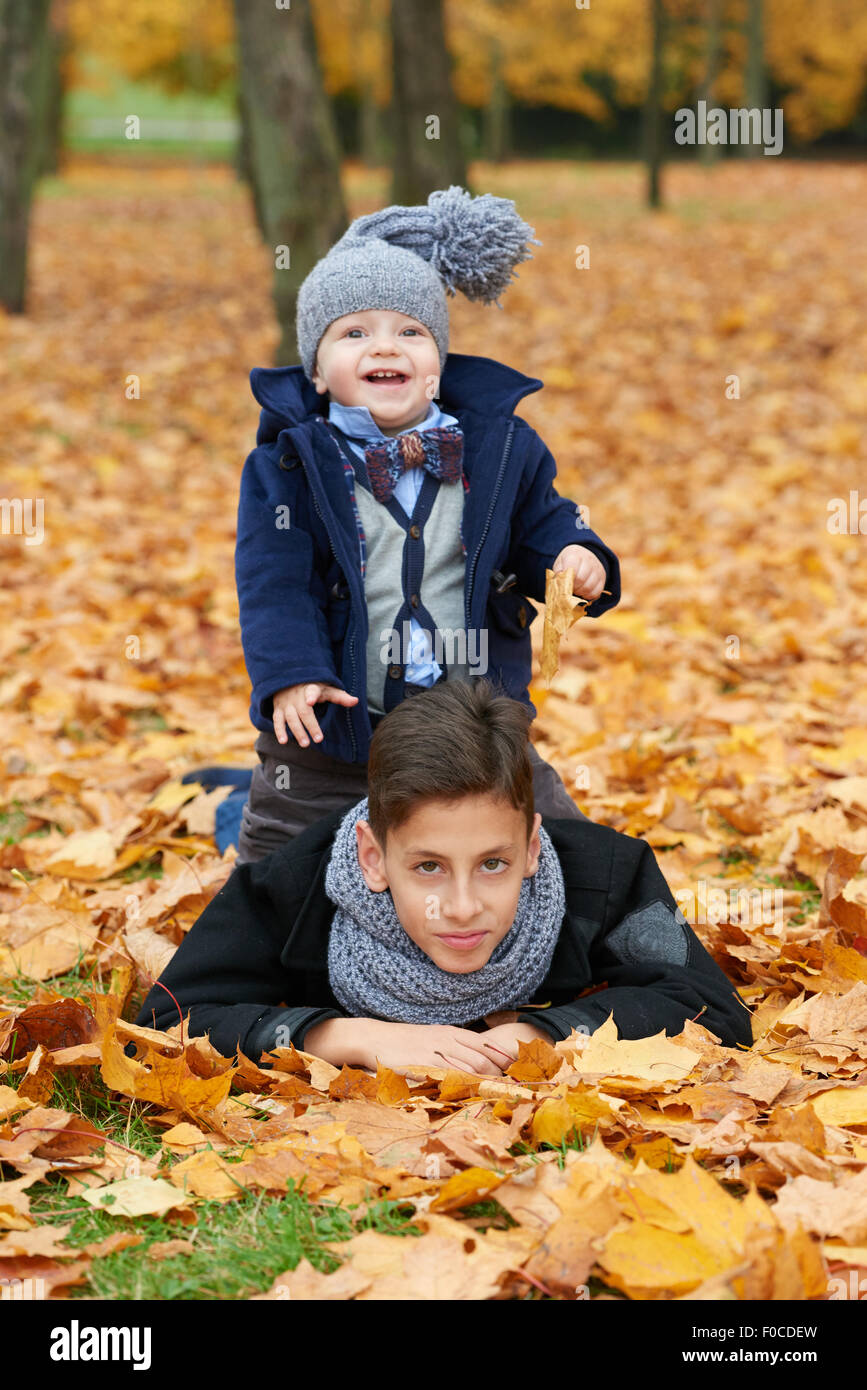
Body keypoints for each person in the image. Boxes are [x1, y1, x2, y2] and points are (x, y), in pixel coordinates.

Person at [231, 184, 622, 865]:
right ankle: (267, 928)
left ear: (437, 366)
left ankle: (605, 927)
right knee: (283, 855)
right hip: (335, 721)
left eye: (409, 332)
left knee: (554, 842)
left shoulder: (501, 449)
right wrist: (292, 672)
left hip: (468, 719)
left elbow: (542, 523)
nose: (386, 347)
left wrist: (570, 555)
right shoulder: (287, 464)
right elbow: (274, 581)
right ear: (318, 372)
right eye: (354, 333)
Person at [134, 680, 752, 1075]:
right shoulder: (290, 888)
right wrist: (342, 1036)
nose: (461, 908)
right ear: (373, 860)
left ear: (533, 847)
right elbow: (160, 1024)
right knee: (232, 828)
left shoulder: (608, 874)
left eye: (493, 864)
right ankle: (227, 794)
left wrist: (541, 1032)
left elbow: (712, 1009)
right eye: (428, 867)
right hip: (310, 829)